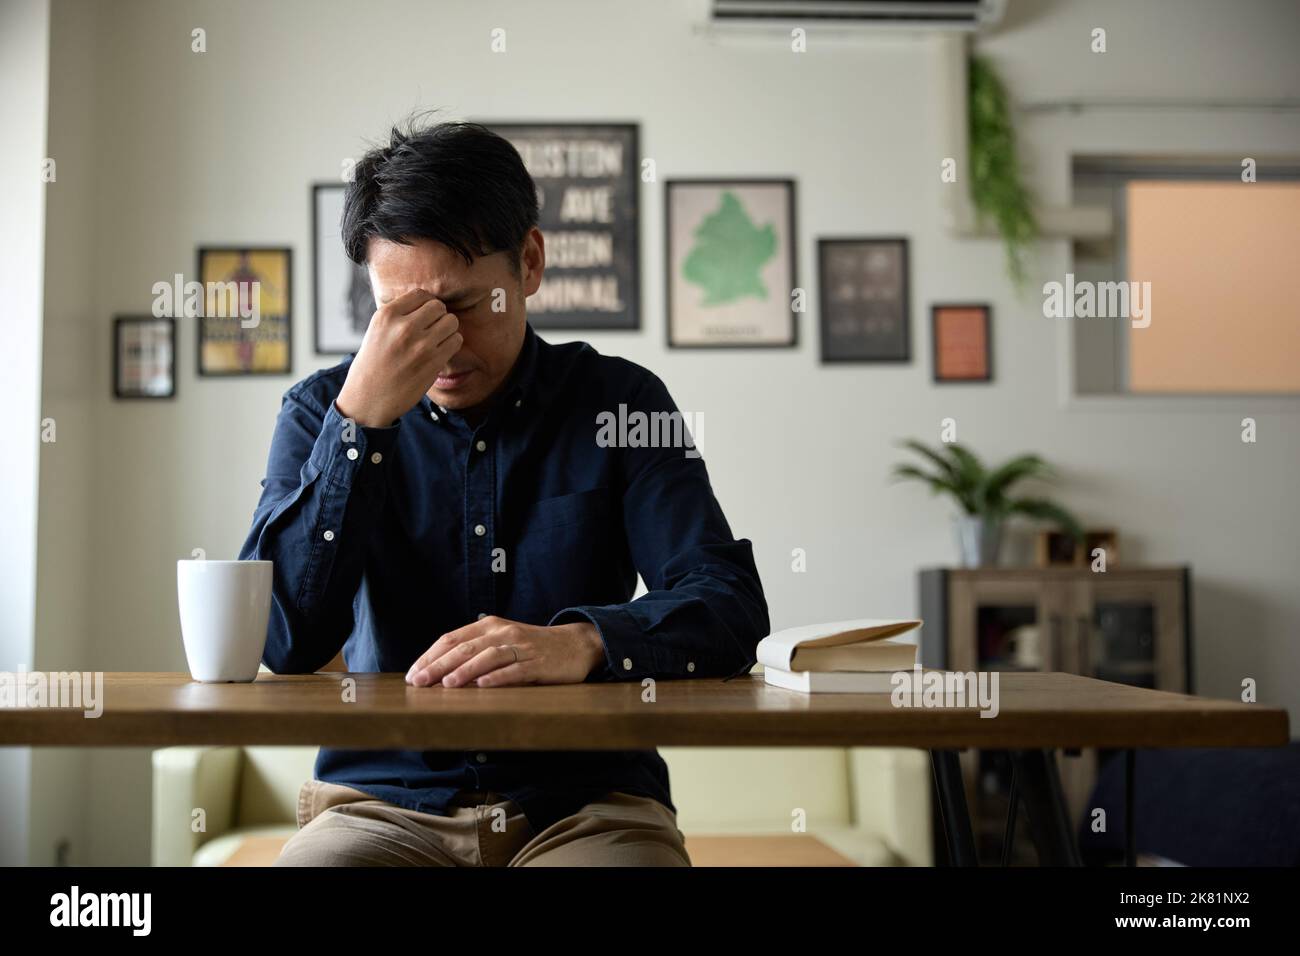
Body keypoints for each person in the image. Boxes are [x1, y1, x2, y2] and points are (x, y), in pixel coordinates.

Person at [239, 119, 769, 866]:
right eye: (398, 313)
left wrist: (583, 641)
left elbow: (728, 602)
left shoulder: (624, 402)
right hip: (380, 805)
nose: (437, 346)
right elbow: (283, 643)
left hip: (587, 804)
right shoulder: (320, 412)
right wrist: (359, 426)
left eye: (458, 307)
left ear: (530, 261)